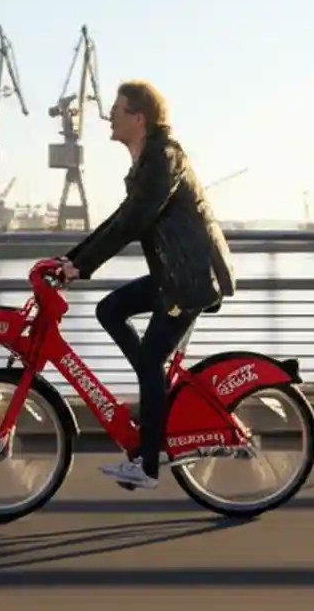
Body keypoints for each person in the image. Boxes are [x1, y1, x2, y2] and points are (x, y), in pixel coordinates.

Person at [60, 79, 235, 490]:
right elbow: (122, 218)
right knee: (110, 310)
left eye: (117, 110)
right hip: (172, 275)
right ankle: (155, 400)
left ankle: (148, 465)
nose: (110, 117)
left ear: (138, 118)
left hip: (189, 279)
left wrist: (81, 265)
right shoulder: (146, 160)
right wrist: (73, 260)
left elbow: (134, 221)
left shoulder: (163, 157)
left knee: (152, 360)